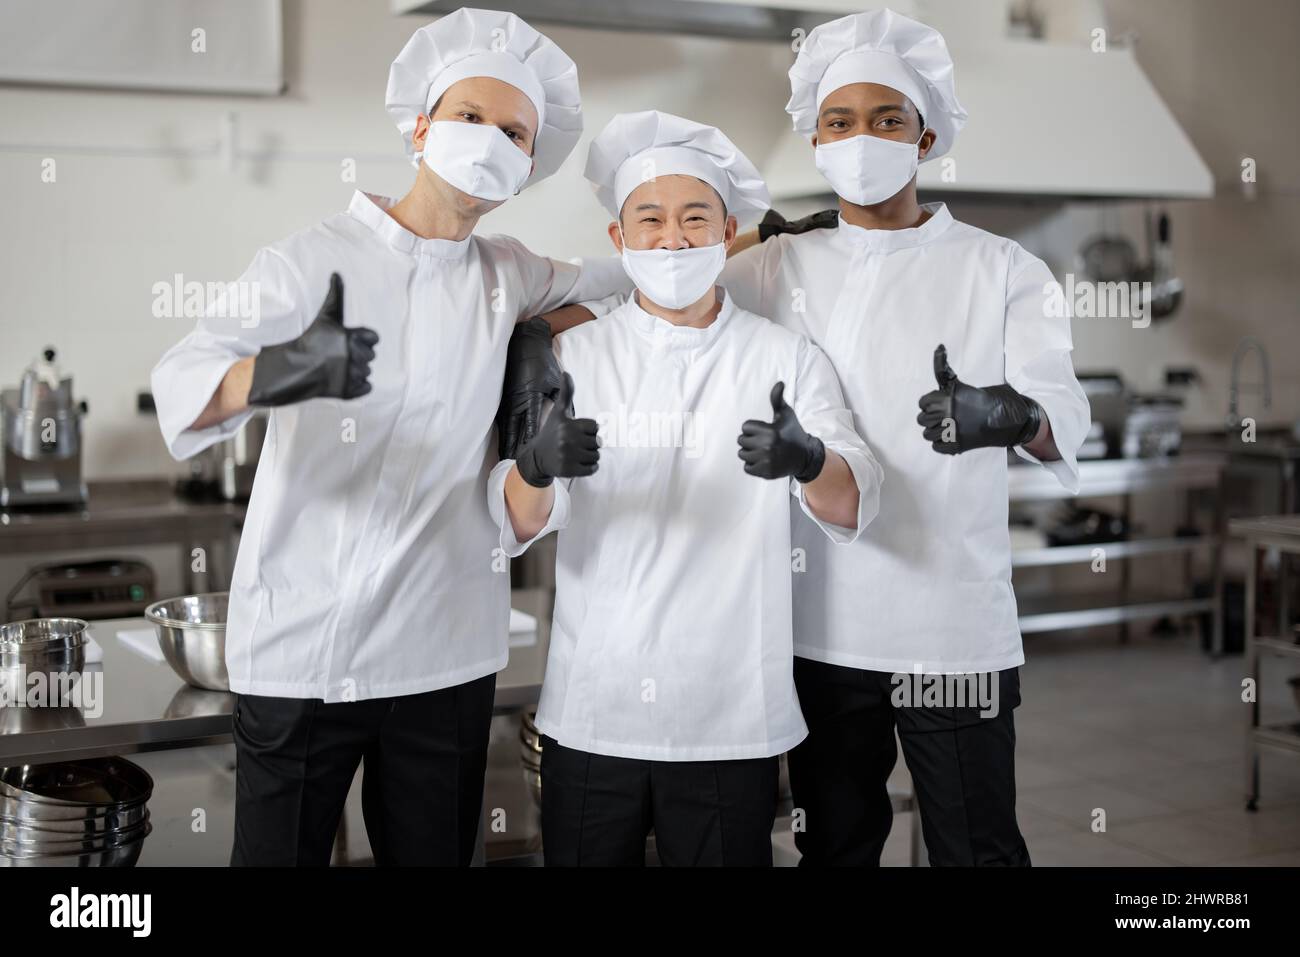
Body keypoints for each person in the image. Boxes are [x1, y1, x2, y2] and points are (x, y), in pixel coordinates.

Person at [497, 8, 1091, 866]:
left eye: (887, 119)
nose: (862, 139)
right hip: (819, 632)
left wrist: (1017, 416)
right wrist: (533, 339)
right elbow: (653, 286)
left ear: (925, 139)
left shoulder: (1002, 269)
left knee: (979, 845)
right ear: (815, 139)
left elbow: (1061, 419)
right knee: (836, 846)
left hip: (951, 625)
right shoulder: (778, 261)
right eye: (840, 121)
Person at [150, 8, 629, 867]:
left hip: (442, 653)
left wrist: (544, 331)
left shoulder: (507, 271)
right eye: (469, 117)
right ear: (419, 127)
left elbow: (640, 277)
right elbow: (182, 378)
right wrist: (277, 372)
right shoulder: (307, 262)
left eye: (513, 131)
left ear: (525, 168)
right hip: (303, 649)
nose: (489, 140)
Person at [488, 111, 882, 866]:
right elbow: (513, 525)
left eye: (695, 219)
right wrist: (536, 467)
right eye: (651, 220)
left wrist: (808, 461)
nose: (673, 240)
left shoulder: (787, 360)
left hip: (729, 713)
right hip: (594, 705)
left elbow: (857, 500)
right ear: (620, 240)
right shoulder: (576, 356)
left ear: (728, 229)